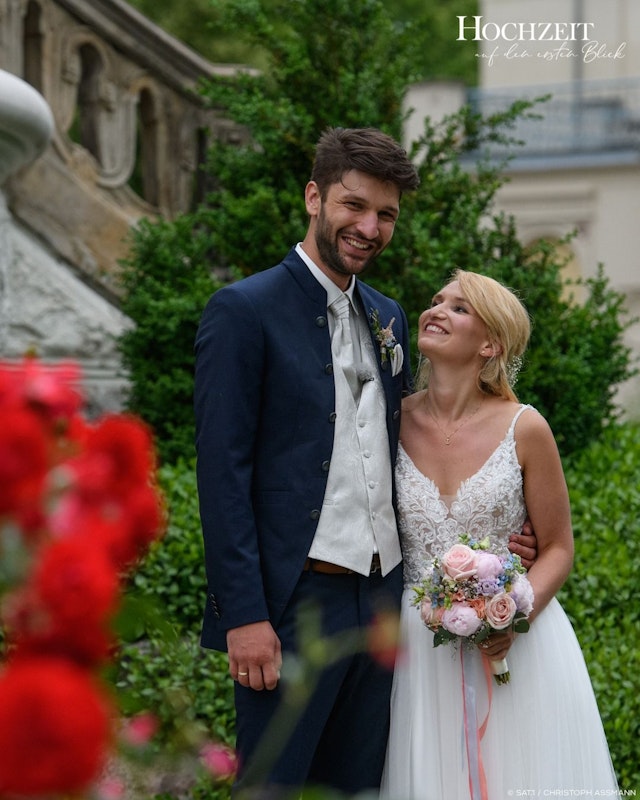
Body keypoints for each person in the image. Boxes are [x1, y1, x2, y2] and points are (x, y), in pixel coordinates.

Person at [194, 128, 535, 798]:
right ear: (314, 198)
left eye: (386, 215)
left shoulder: (389, 317)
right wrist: (244, 615)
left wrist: (501, 538)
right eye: (354, 205)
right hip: (293, 604)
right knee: (272, 788)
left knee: (359, 789)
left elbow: (411, 451)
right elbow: (222, 472)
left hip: (386, 607)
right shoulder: (244, 311)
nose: (369, 228)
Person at [380, 269, 619, 799]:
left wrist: (513, 612)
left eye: (459, 307)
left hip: (514, 647)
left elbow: (557, 547)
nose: (436, 310)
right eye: (437, 300)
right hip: (416, 647)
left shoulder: (525, 428)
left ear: (490, 344)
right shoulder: (388, 421)